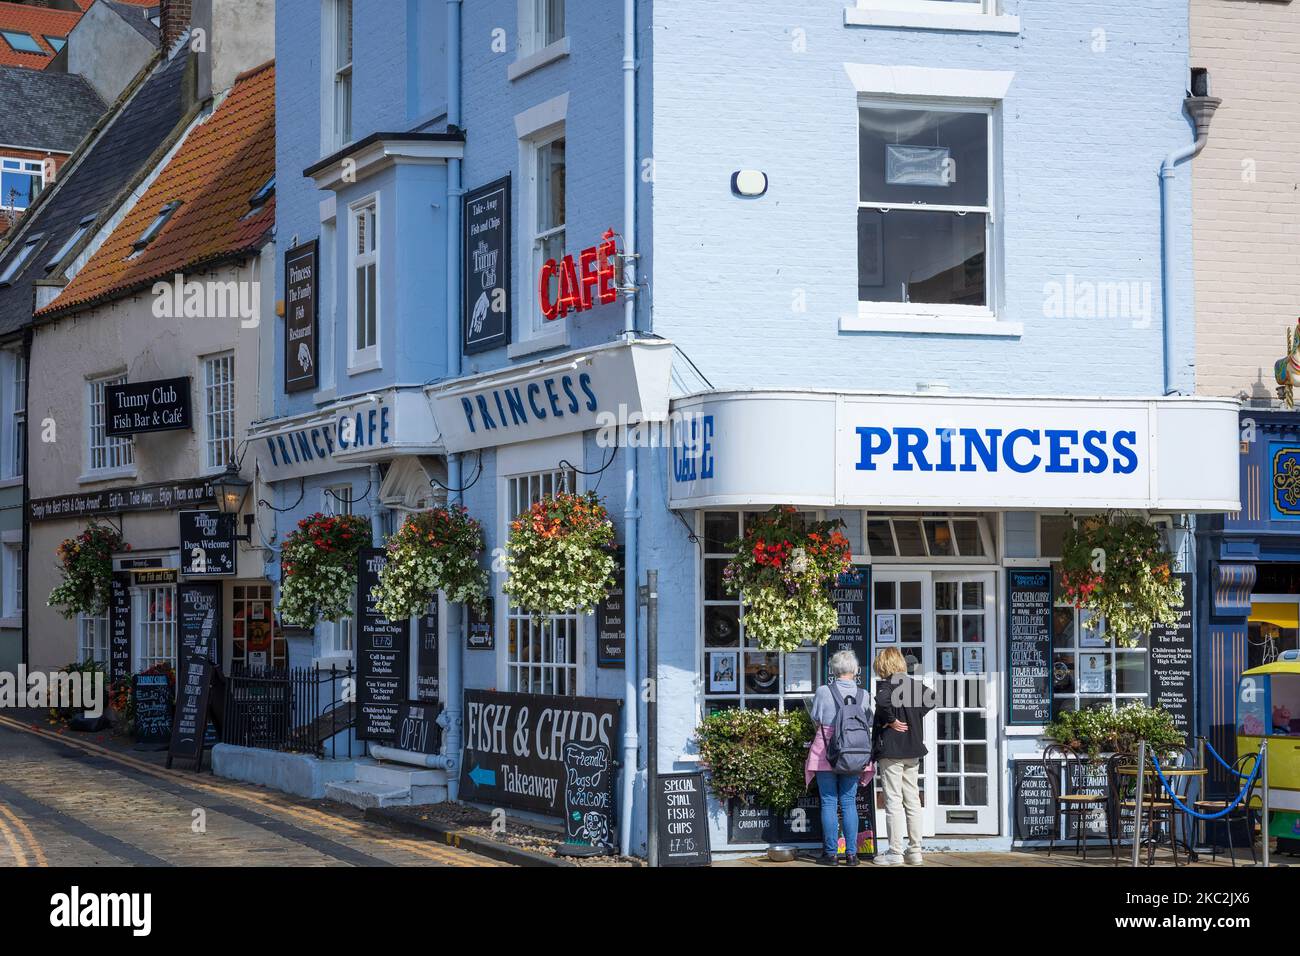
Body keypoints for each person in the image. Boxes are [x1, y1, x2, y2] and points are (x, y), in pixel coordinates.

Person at [804, 650, 874, 866]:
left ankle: (831, 854)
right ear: (855, 670)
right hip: (854, 754)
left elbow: (815, 716)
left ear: (834, 670)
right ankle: (852, 855)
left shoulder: (824, 691)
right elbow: (869, 722)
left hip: (826, 751)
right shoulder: (864, 695)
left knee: (828, 801)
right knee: (848, 802)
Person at [872, 647, 934, 866]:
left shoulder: (887, 685)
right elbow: (932, 698)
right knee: (913, 800)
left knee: (894, 802)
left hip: (892, 752)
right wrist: (915, 715)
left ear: (883, 665)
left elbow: (882, 702)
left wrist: (890, 720)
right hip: (913, 750)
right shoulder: (914, 686)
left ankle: (896, 852)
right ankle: (915, 851)